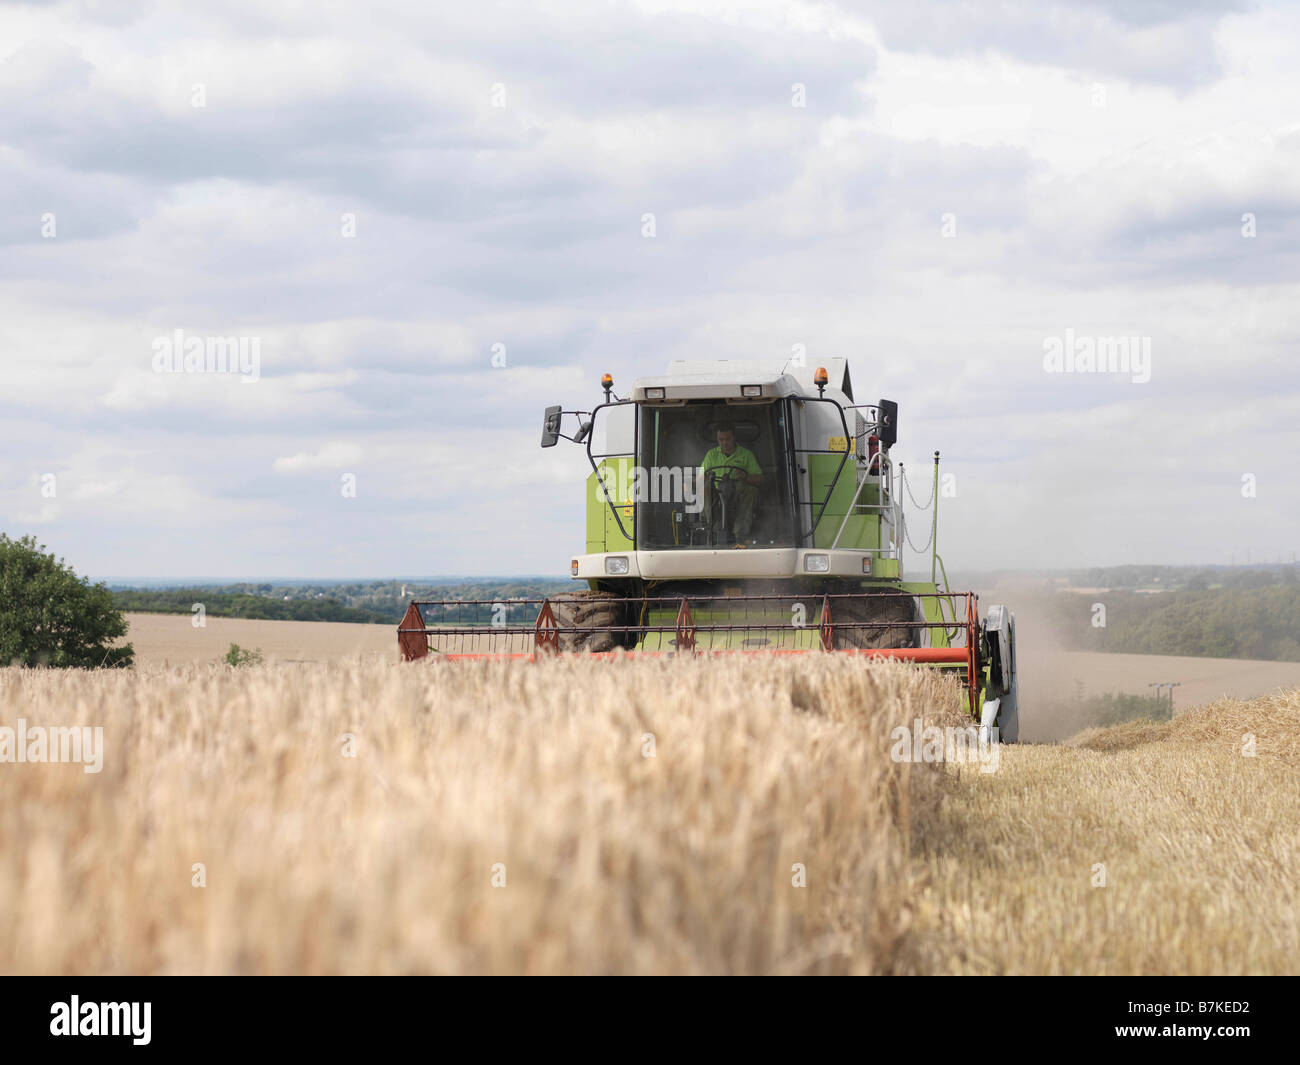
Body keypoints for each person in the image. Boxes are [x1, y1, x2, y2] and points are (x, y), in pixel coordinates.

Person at [700, 423, 763, 542]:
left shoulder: (746, 455)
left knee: (751, 490)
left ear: (734, 437)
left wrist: (746, 477)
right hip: (716, 496)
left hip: (737, 497)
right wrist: (689, 484)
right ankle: (715, 531)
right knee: (705, 488)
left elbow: (759, 479)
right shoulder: (711, 455)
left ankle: (740, 534)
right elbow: (700, 478)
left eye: (728, 439)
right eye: (721, 439)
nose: (724, 442)